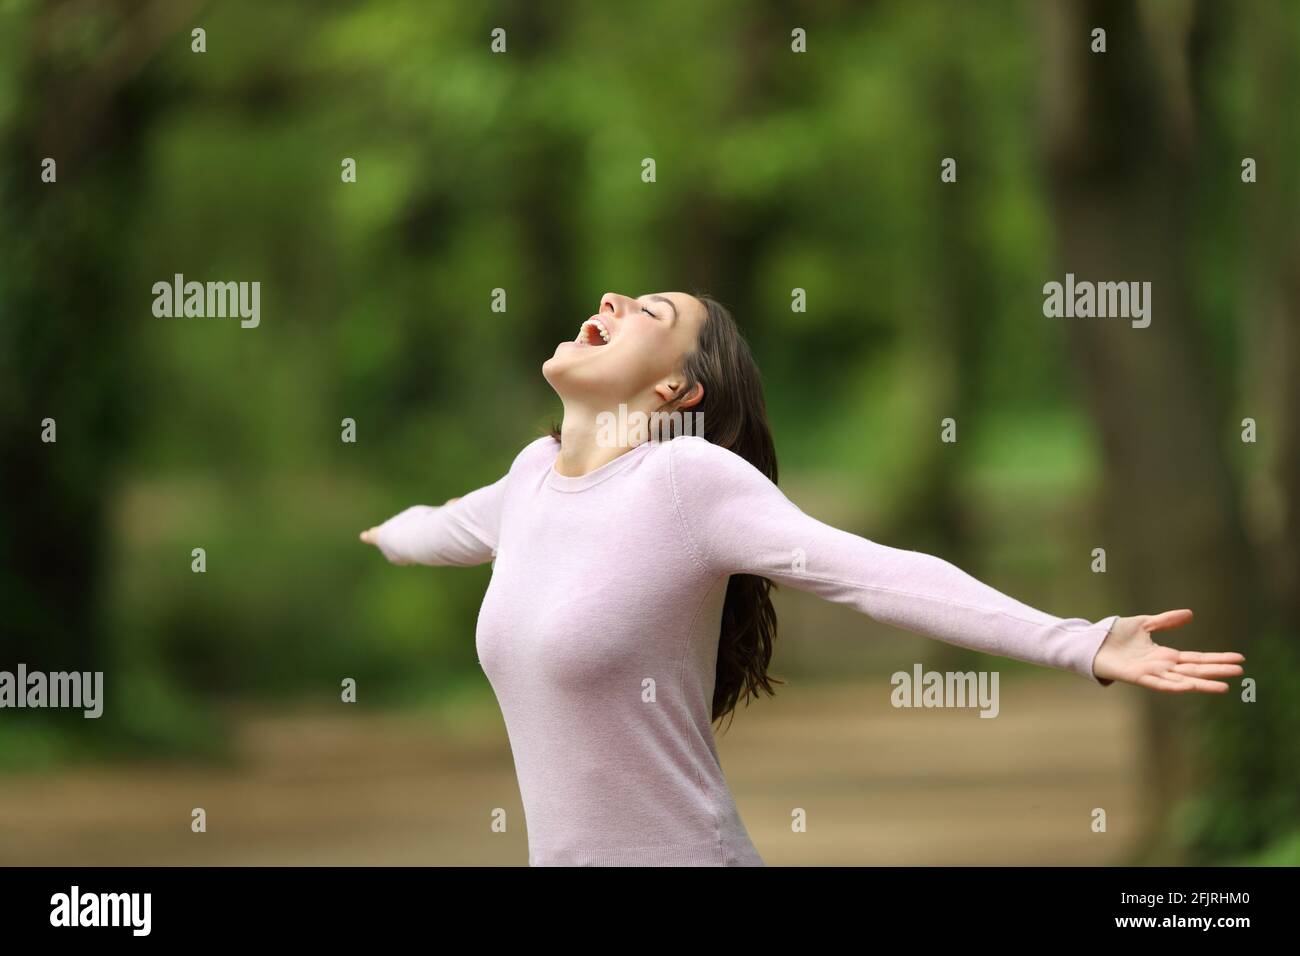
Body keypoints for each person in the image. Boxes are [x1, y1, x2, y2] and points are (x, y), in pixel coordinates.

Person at [360, 290, 1245, 866]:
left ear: (676, 392)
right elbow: (446, 529)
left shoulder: (685, 480)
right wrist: (387, 534)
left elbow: (872, 573)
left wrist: (1083, 642)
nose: (611, 299)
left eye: (651, 314)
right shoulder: (529, 481)